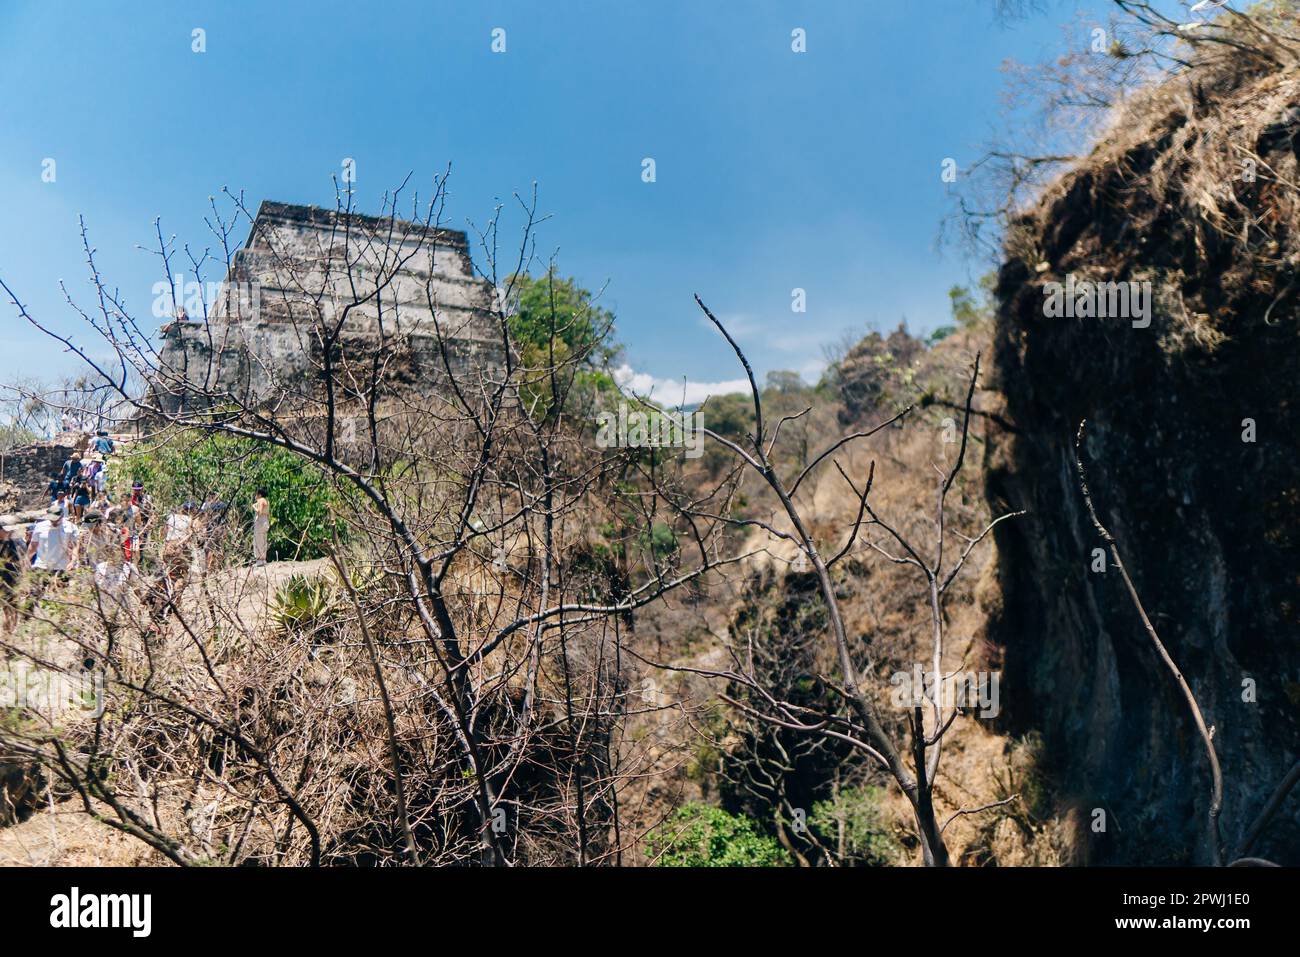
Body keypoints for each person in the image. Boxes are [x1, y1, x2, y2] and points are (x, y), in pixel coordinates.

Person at [28, 506, 79, 581]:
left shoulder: (71, 527)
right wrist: (27, 560)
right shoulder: (40, 526)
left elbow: (75, 546)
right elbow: (33, 545)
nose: (53, 521)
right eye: (51, 519)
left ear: (62, 516)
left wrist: (73, 561)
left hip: (61, 568)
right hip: (41, 566)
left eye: (55, 519)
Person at [0, 524, 25, 632]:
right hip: (3, 579)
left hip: (13, 578)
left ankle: (11, 630)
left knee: (12, 605)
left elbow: (22, 561)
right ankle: (8, 630)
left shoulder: (16, 542)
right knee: (5, 606)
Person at [252, 489, 270, 566]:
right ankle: (263, 559)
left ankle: (259, 560)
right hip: (265, 520)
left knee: (258, 540)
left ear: (259, 494)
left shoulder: (260, 500)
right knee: (263, 540)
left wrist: (253, 507)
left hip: (260, 521)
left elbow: (260, 511)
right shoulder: (266, 501)